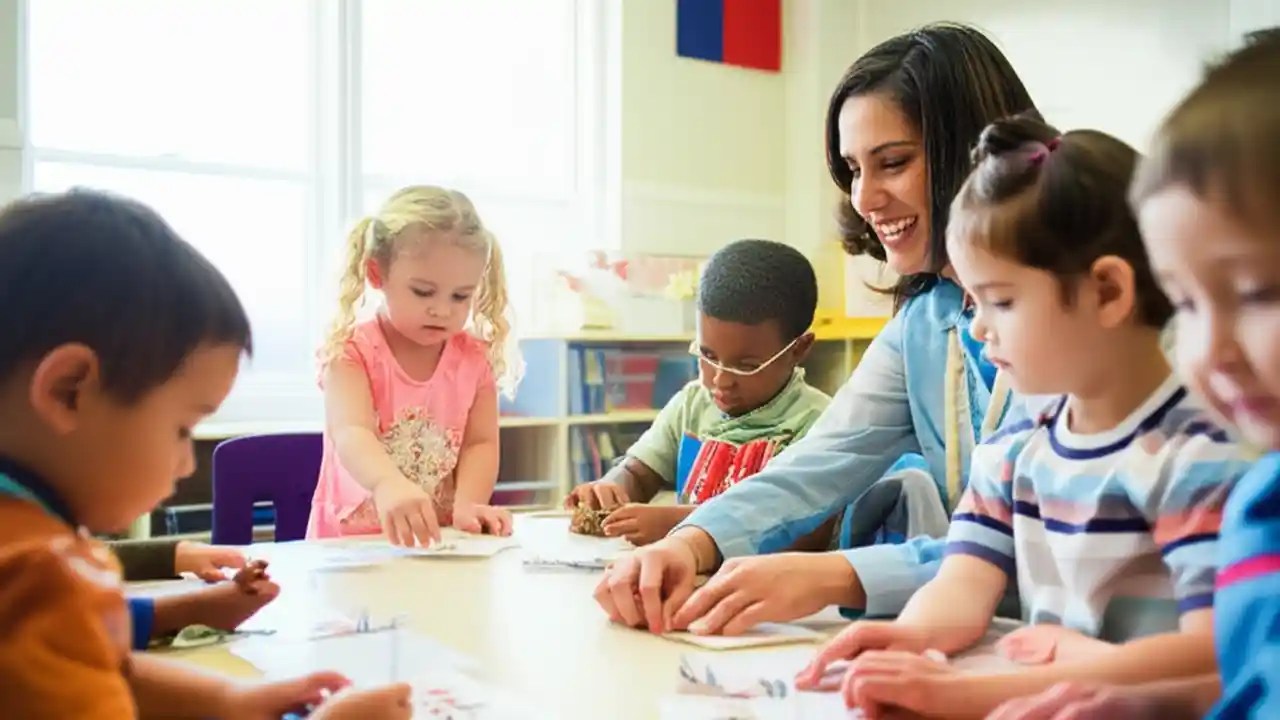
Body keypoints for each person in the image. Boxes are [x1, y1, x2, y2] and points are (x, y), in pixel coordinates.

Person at [793, 113, 1249, 718]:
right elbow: (963, 584)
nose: (978, 327)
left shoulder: (1195, 454)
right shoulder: (1015, 449)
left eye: (1001, 300)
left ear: (1108, 291)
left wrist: (968, 692)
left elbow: (1213, 653)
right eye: (974, 301)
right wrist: (909, 637)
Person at [595, 22, 1038, 636]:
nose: (865, 197)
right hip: (997, 641)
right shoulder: (929, 315)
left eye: (893, 163)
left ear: (974, 155)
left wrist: (833, 575)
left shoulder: (1070, 322)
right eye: (853, 169)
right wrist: (690, 542)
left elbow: (1045, 540)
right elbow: (821, 460)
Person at [0, 189, 410, 718]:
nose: (187, 463)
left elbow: (105, 663)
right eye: (181, 428)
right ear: (68, 391)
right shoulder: (35, 575)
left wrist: (227, 700)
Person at [987, 27, 1280, 720]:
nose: (1210, 349)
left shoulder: (1205, 469)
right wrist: (1135, 707)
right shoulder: (1259, 509)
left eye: (1257, 293)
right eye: (1185, 302)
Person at [564, 239, 831, 546]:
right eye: (707, 355)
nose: (720, 379)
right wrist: (609, 490)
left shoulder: (818, 423)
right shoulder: (692, 404)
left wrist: (682, 525)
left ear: (798, 349)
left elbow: (804, 530)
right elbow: (638, 474)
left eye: (746, 365)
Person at [308, 186, 522, 548]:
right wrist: (387, 483)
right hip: (352, 546)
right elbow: (351, 431)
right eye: (423, 292)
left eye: (461, 296)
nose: (442, 309)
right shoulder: (352, 352)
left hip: (436, 542)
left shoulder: (475, 359)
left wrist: (469, 504)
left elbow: (480, 444)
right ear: (378, 275)